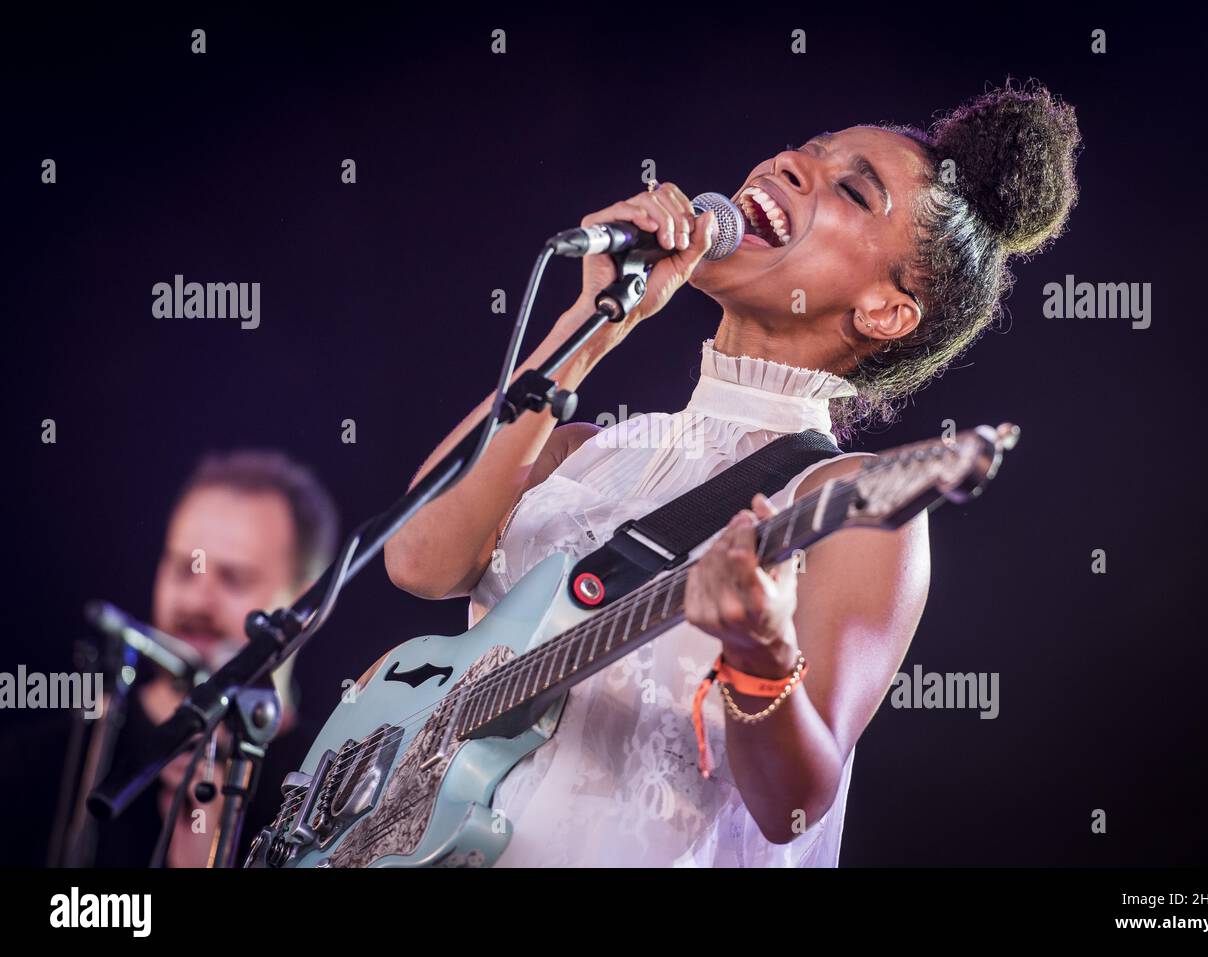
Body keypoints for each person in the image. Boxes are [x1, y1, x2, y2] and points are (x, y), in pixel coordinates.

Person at [383, 80, 1081, 865]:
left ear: (886, 311)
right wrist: (591, 319)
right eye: (805, 150)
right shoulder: (578, 448)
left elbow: (792, 807)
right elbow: (416, 559)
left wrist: (759, 653)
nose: (788, 161)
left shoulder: (851, 504)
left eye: (852, 188)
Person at [96, 450, 338, 867]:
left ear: (307, 606)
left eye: (234, 579)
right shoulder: (62, 759)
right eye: (183, 569)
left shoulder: (331, 785)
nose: (197, 601)